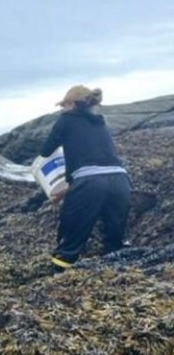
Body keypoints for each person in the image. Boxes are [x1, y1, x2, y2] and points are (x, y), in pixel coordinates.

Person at [40, 85, 131, 272]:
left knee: (69, 242)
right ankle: (112, 278)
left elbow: (45, 151)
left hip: (90, 184)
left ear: (72, 104)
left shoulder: (66, 120)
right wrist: (70, 187)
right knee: (114, 241)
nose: (61, 109)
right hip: (121, 181)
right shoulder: (100, 122)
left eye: (63, 105)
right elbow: (98, 167)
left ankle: (57, 279)